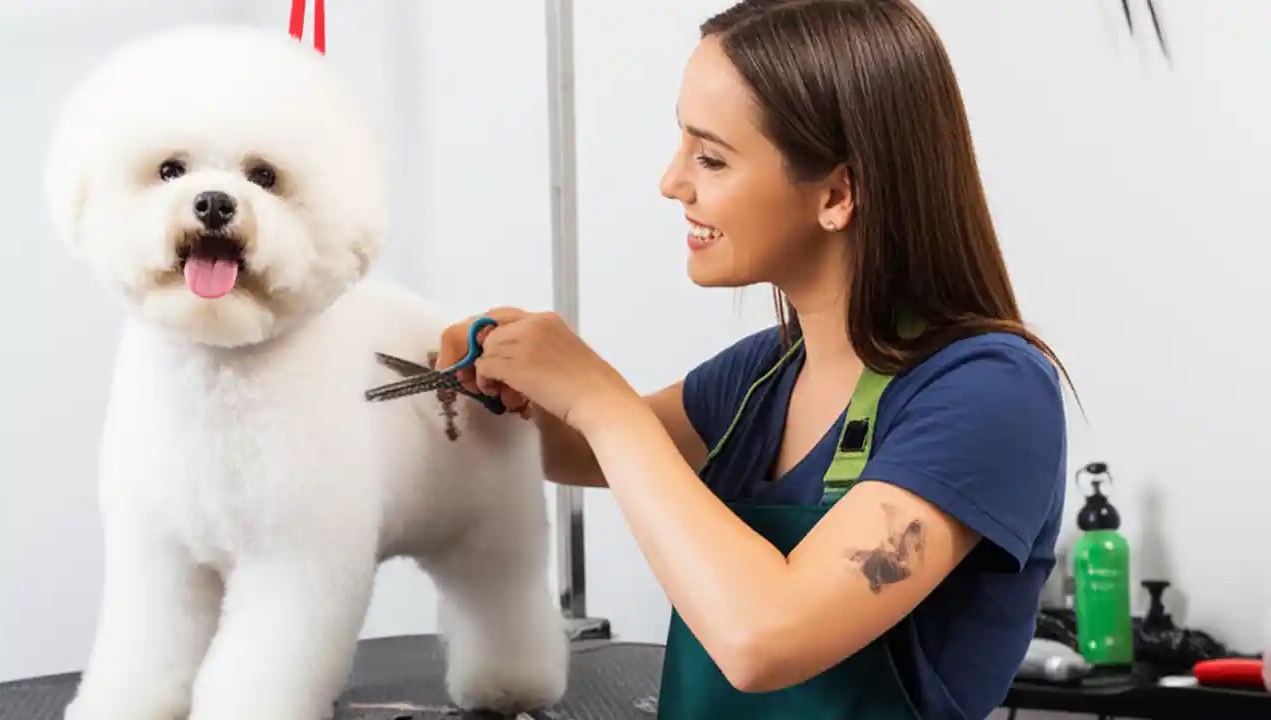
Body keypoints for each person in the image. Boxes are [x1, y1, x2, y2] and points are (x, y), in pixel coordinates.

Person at [435, 1, 1068, 717]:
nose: (673, 182)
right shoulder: (765, 377)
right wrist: (490, 381)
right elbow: (579, 448)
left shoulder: (989, 395)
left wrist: (596, 396)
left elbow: (762, 638)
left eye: (711, 157)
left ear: (836, 194)